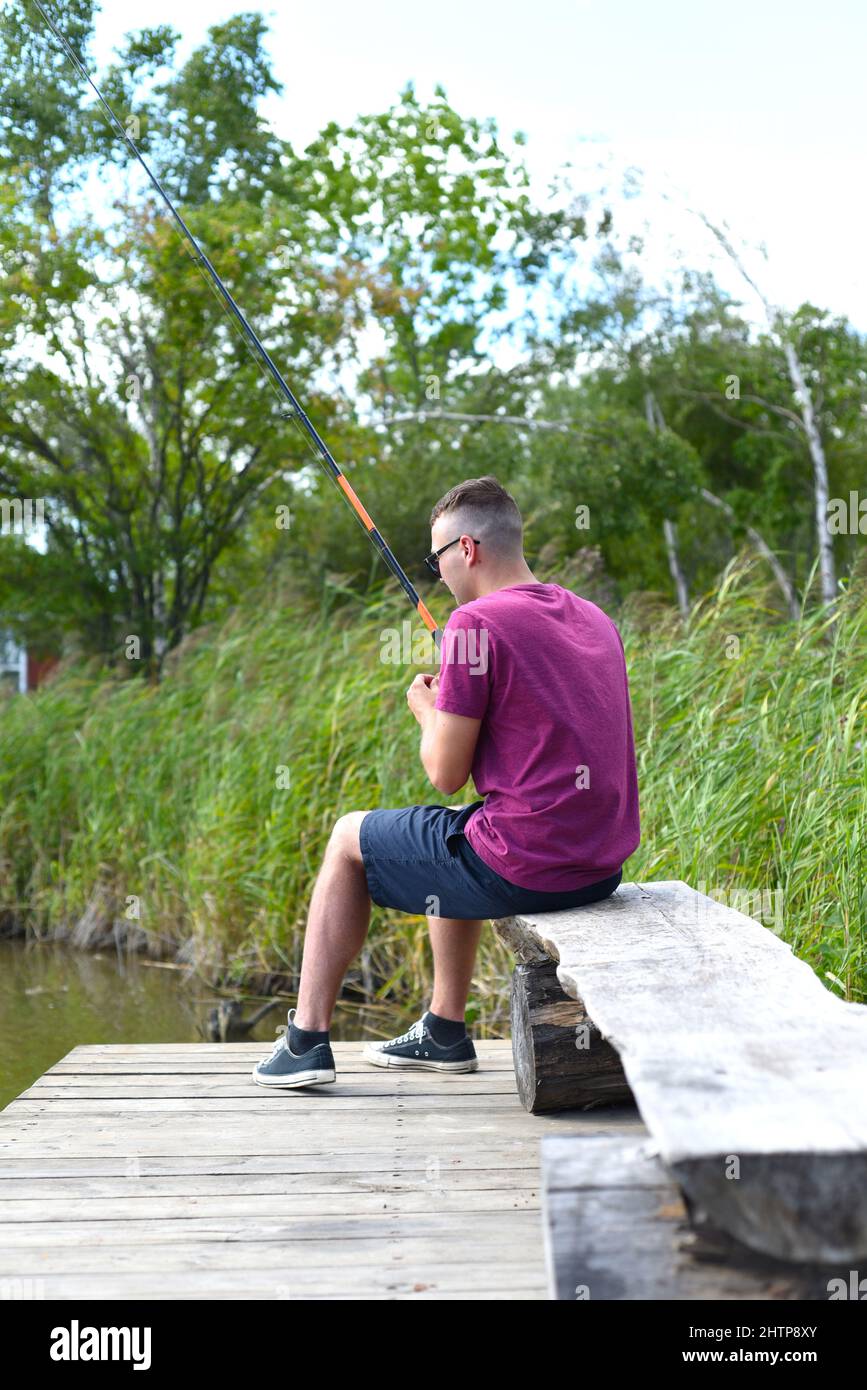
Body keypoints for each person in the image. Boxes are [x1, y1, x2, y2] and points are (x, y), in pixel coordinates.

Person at [252, 475, 640, 1089]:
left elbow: (445, 773)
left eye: (436, 558)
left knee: (347, 836)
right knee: (446, 834)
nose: (435, 574)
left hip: (532, 865)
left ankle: (305, 1040)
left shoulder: (473, 624)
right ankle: (443, 1030)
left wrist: (427, 711)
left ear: (468, 549)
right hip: (599, 864)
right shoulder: (591, 616)